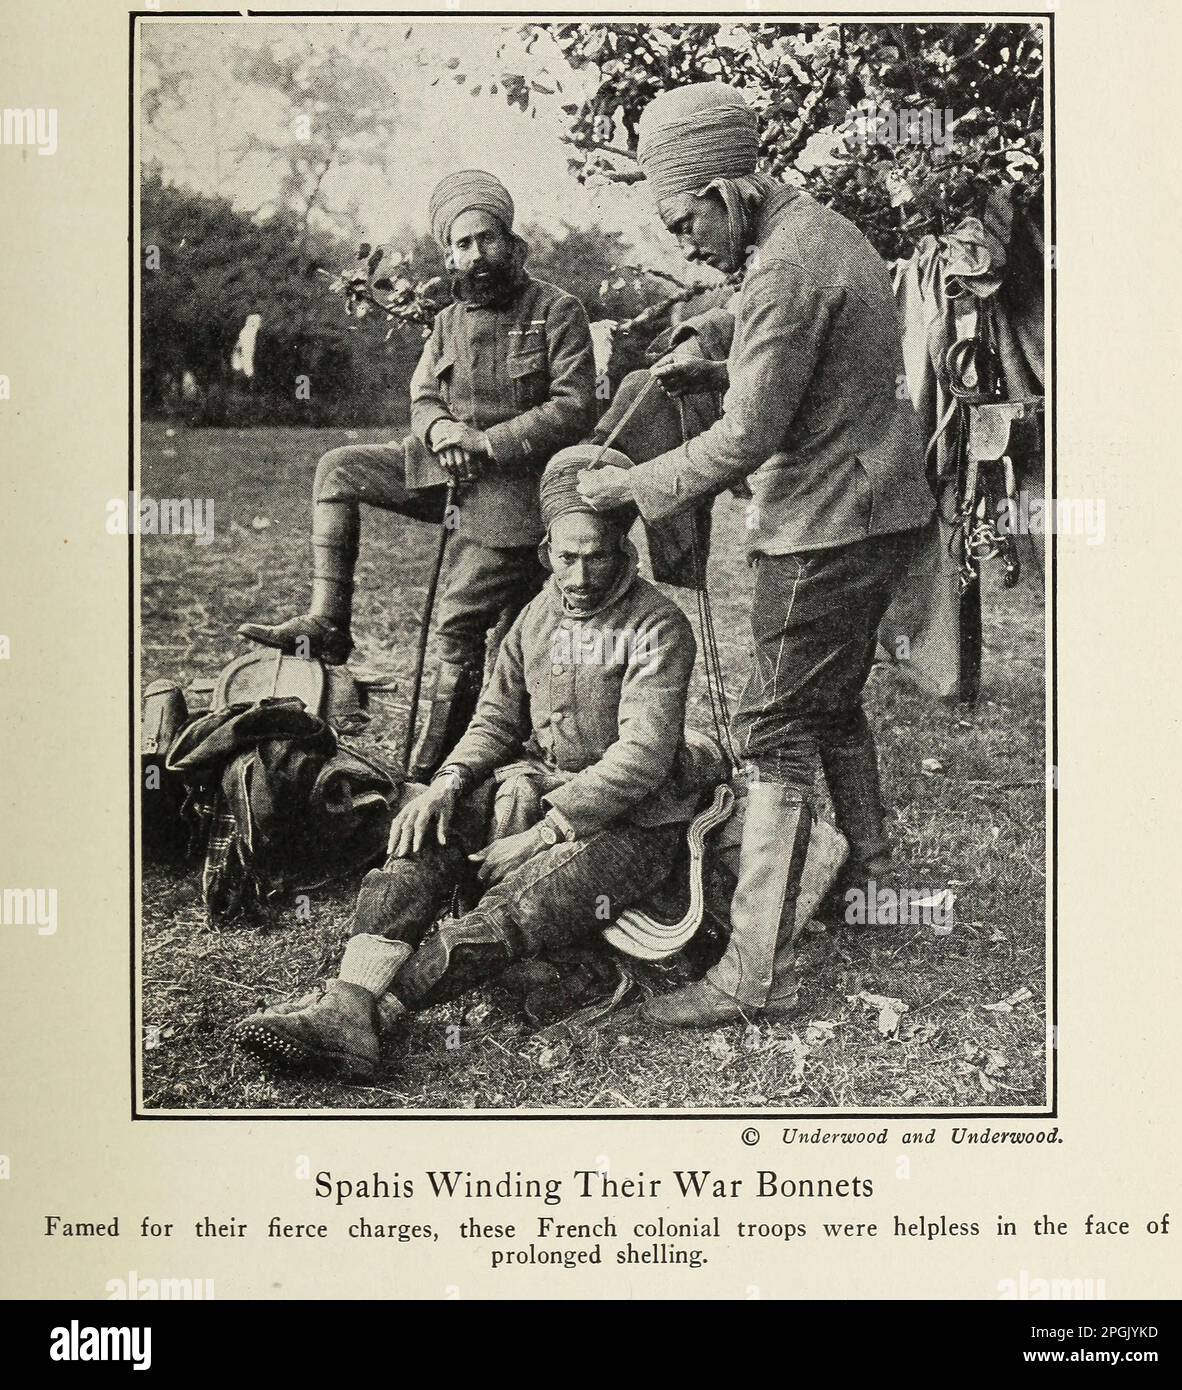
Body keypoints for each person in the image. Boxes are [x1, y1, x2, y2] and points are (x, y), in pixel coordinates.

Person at [578, 82, 936, 1028]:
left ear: (729, 190)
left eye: (685, 220)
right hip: (879, 505)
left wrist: (635, 486)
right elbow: (777, 335)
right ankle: (867, 874)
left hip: (823, 527)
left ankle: (746, 972)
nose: (686, 243)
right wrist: (713, 349)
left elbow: (744, 439)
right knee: (833, 703)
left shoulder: (783, 266)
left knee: (777, 727)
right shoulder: (821, 230)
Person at [233, 446, 724, 1079]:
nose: (578, 576)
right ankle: (353, 996)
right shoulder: (535, 616)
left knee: (523, 903)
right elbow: (495, 719)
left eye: (596, 556)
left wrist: (544, 833)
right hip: (540, 785)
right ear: (545, 548)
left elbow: (642, 757)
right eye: (566, 556)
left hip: (636, 821)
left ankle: (373, 1014)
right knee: (423, 834)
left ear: (625, 549)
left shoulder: (657, 624)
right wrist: (446, 783)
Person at [239, 170, 597, 779]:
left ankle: (435, 769)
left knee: (461, 621)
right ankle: (328, 621)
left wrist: (484, 443)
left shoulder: (556, 312)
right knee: (340, 469)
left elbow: (572, 407)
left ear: (513, 243)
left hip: (514, 483)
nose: (476, 255)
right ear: (448, 254)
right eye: (462, 245)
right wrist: (439, 432)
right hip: (443, 466)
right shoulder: (447, 319)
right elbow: (424, 395)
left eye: (487, 239)